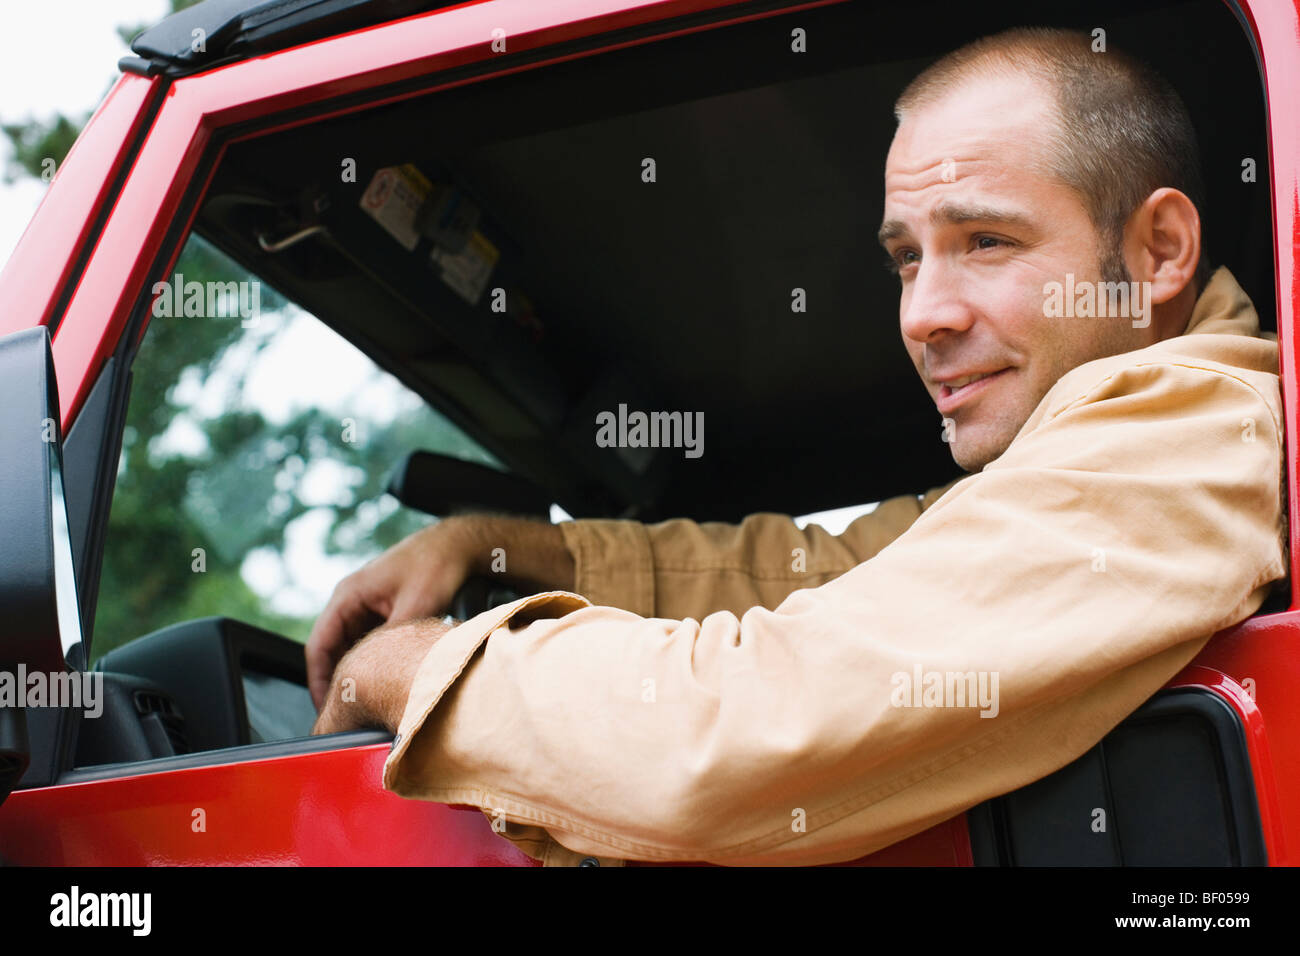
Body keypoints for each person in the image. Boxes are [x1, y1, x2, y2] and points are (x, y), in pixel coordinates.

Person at [307, 27, 1287, 866]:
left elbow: (731, 733)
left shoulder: (1183, 432)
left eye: (986, 240)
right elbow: (828, 572)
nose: (922, 315)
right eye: (906, 257)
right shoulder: (1119, 433)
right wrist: (519, 547)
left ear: (1157, 252)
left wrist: (408, 667)